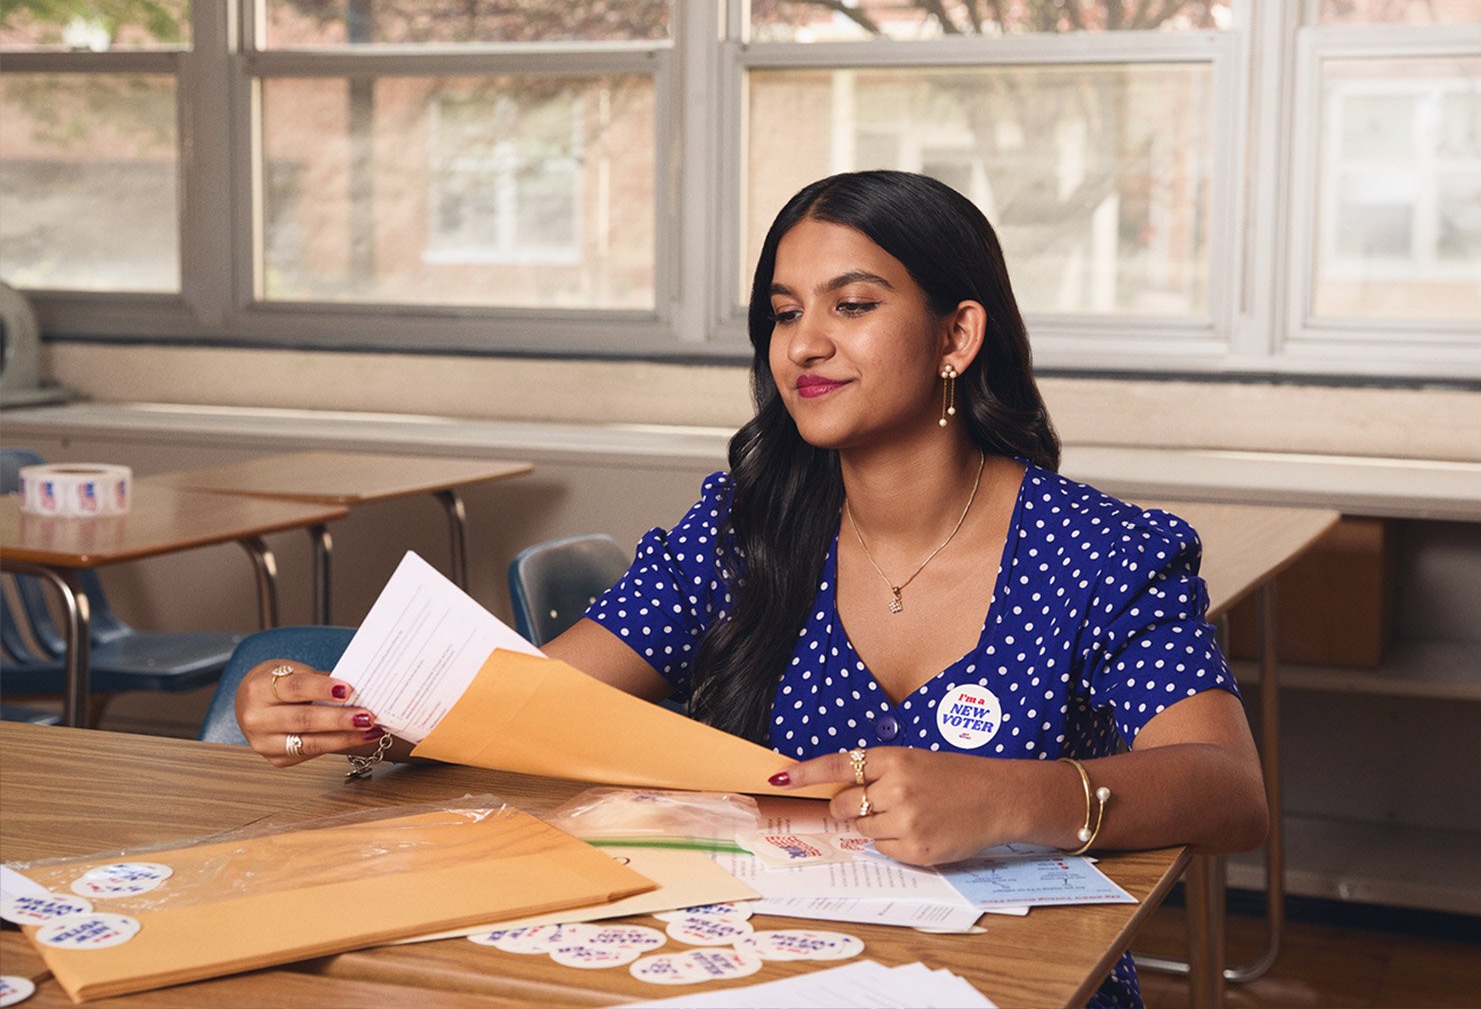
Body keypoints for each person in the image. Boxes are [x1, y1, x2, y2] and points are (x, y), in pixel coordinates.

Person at [236, 169, 1267, 1008]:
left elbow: (1229, 791)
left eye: (852, 305)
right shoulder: (743, 529)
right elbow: (525, 700)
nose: (803, 343)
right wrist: (356, 716)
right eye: (782, 313)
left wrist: (1015, 794)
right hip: (766, 969)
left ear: (956, 336)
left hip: (1018, 985)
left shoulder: (1102, 549)